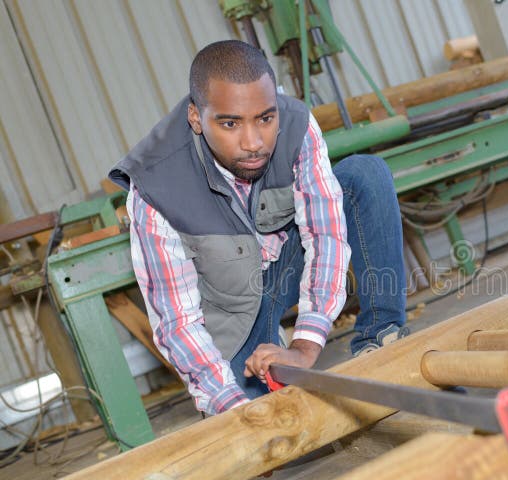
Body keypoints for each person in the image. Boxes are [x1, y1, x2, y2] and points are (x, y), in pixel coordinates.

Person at [110, 40, 407, 415]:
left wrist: (305, 346)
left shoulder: (295, 123)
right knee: (280, 435)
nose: (253, 143)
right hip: (230, 312)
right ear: (196, 118)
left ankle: (382, 334)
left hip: (282, 268)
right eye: (230, 123)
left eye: (265, 119)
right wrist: (235, 410)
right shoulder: (156, 187)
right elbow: (177, 322)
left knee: (365, 174)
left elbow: (325, 234)